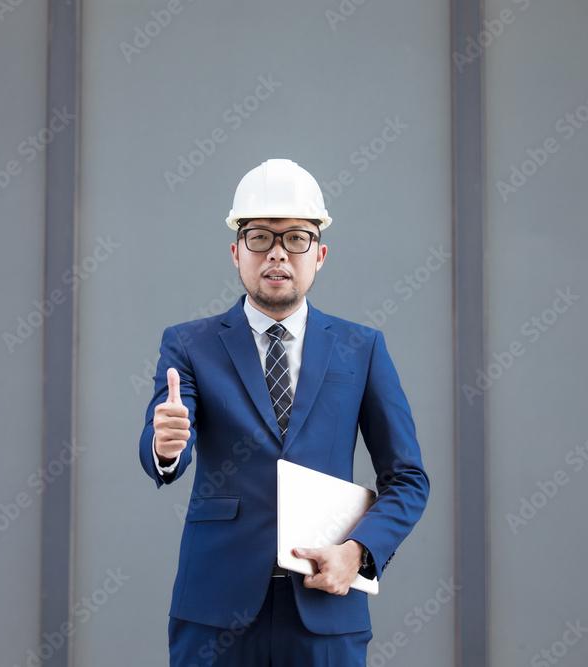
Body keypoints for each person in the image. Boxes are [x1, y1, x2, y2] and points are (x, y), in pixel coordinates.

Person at [139, 158, 429, 666]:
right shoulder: (189, 344)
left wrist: (358, 554)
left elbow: (408, 479)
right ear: (235, 252)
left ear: (320, 254)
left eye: (295, 238)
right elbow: (165, 441)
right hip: (214, 611)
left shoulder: (361, 349)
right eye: (260, 238)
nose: (278, 253)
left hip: (325, 608)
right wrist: (166, 447)